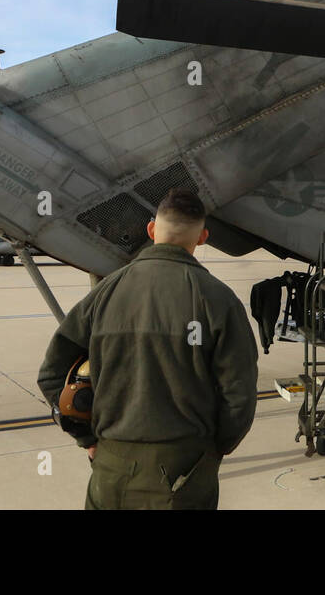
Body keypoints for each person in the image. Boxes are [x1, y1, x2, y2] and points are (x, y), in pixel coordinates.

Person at [37, 188, 258, 509]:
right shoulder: (218, 300)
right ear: (203, 238)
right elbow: (239, 393)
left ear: (152, 229)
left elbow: (52, 375)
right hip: (184, 471)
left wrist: (88, 438)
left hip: (110, 468)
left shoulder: (105, 293)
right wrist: (214, 450)